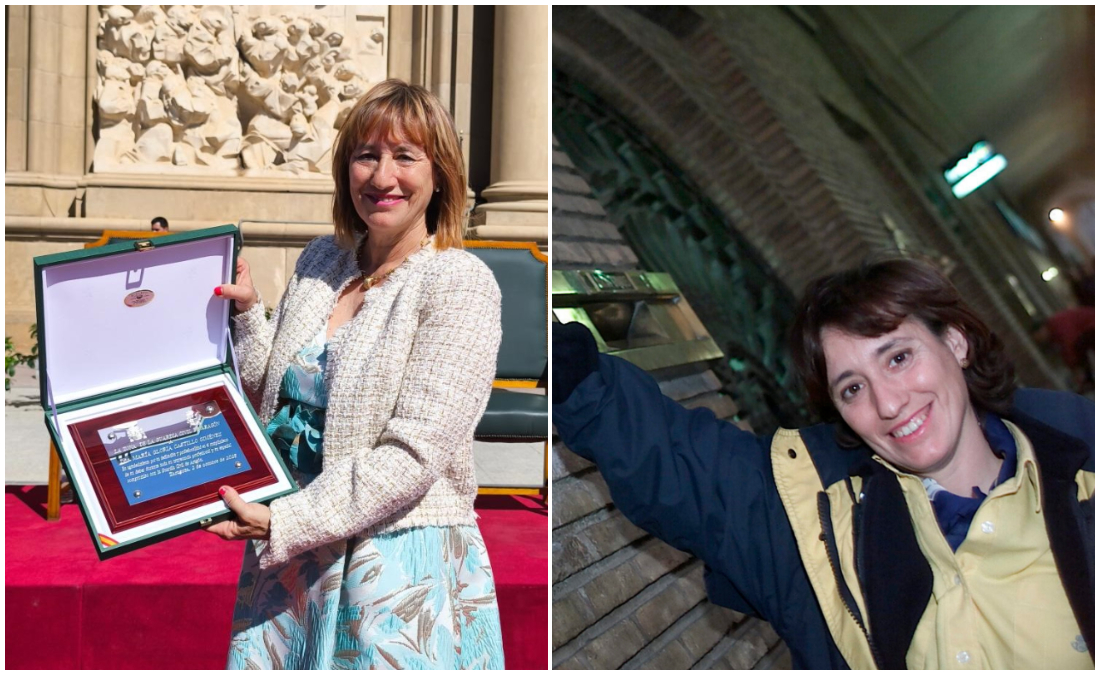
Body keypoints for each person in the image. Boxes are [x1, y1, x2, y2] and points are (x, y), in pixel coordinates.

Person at [553, 258, 1093, 669]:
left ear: (955, 342)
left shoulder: (1081, 477)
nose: (887, 404)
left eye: (898, 358)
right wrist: (558, 360)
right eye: (853, 388)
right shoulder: (819, 526)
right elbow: (678, 463)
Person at [208, 80, 505, 669]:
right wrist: (246, 313)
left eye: (405, 156)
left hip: (393, 565)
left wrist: (286, 520)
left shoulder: (460, 283)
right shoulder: (322, 260)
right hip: (293, 564)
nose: (381, 176)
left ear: (441, 173)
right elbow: (271, 398)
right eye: (366, 155)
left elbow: (414, 454)